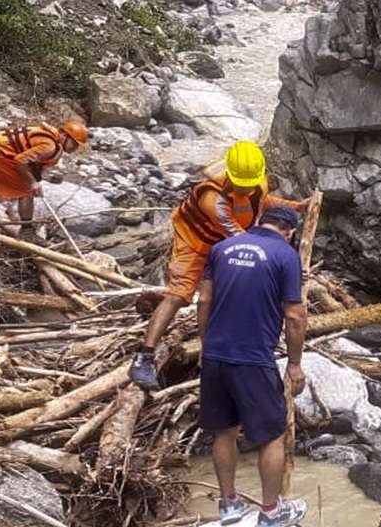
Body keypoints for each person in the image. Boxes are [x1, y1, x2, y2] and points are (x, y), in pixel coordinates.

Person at [129, 140, 305, 390]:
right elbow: (243, 241)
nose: (246, 189)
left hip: (225, 243)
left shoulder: (257, 181)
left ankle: (229, 340)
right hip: (195, 242)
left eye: (250, 185)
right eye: (241, 185)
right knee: (179, 296)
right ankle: (144, 357)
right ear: (231, 176)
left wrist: (298, 207)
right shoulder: (213, 200)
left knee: (225, 292)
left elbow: (264, 201)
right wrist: (286, 264)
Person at [196, 204, 309, 527]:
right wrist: (295, 362)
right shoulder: (286, 255)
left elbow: (204, 301)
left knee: (224, 431)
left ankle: (229, 504)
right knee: (272, 434)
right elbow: (294, 316)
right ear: (289, 232)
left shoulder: (221, 248)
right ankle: (271, 513)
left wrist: (205, 344)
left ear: (261, 223)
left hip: (215, 355)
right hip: (253, 357)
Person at [0, 120, 89, 236]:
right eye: (74, 143)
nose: (75, 148)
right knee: (26, 192)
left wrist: (37, 179)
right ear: (64, 136)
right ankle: (27, 231)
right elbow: (20, 162)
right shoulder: (49, 146)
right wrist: (32, 183)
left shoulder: (51, 139)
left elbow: (35, 164)